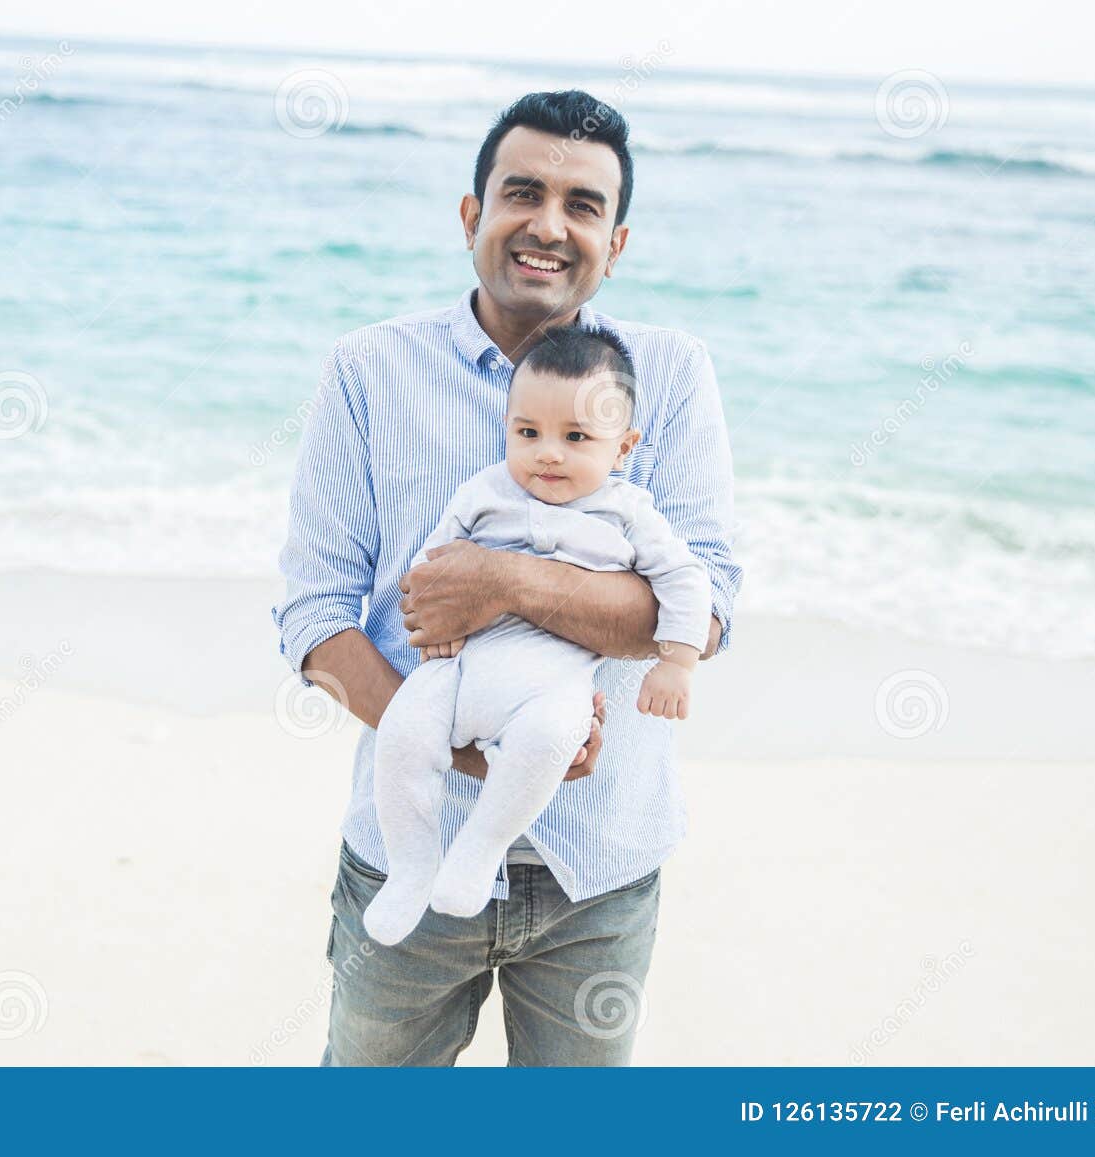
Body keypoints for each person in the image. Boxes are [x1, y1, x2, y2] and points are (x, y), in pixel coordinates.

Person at [271, 89, 742, 1066]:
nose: (547, 223)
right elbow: (314, 617)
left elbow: (703, 607)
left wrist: (505, 582)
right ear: (470, 214)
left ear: (615, 244)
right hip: (408, 846)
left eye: (582, 204)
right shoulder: (368, 371)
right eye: (521, 191)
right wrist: (456, 749)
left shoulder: (668, 372)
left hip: (601, 864)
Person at [363, 326, 712, 946]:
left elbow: (687, 580)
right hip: (460, 667)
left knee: (551, 740)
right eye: (528, 433)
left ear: (623, 447)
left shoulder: (627, 511)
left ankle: (478, 848)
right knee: (403, 734)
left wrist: (676, 664)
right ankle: (412, 864)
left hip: (553, 682)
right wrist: (430, 620)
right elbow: (430, 562)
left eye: (576, 438)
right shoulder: (485, 490)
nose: (547, 453)